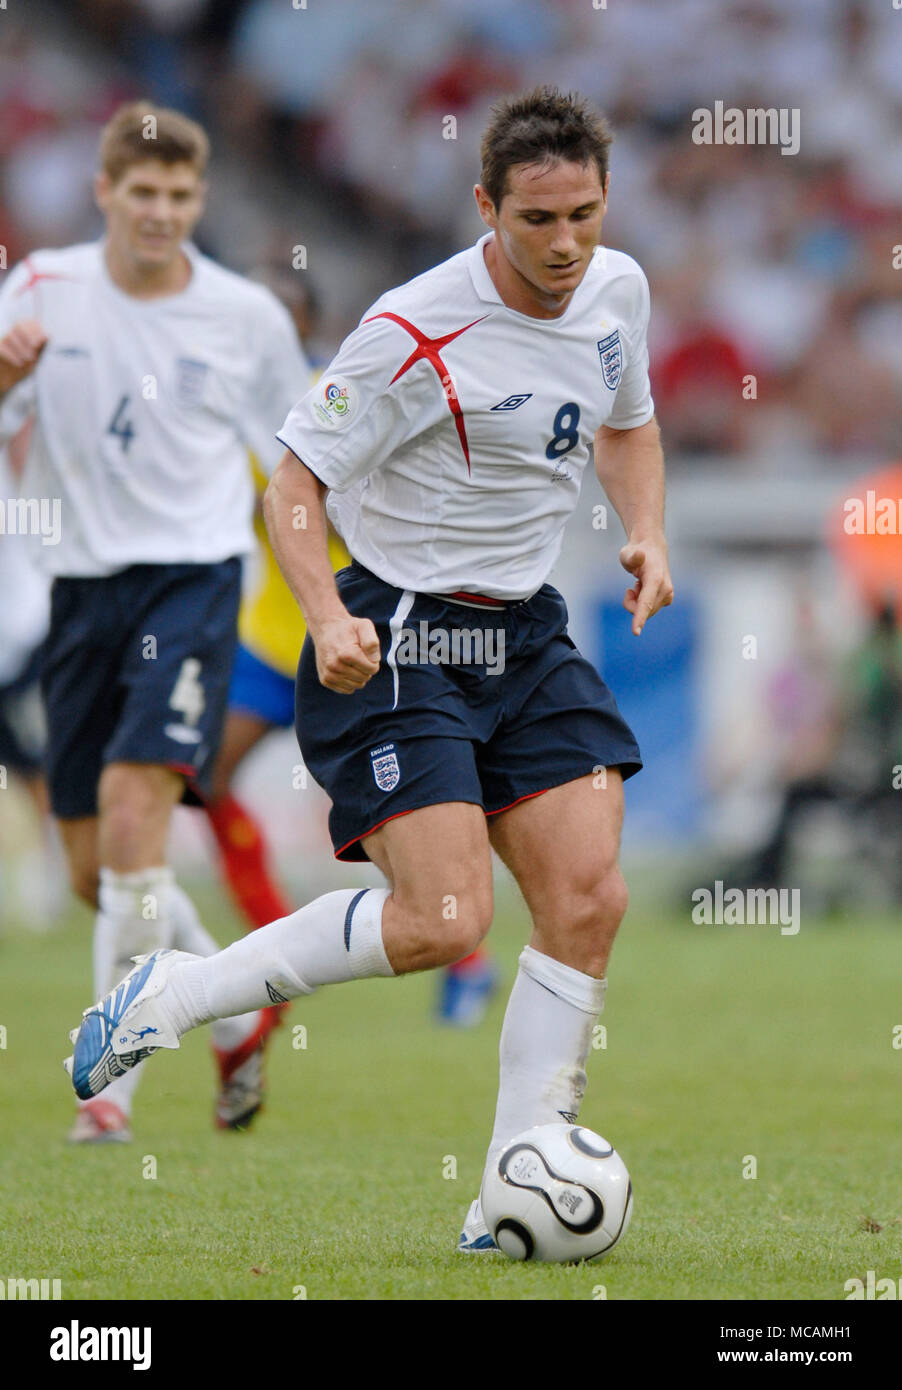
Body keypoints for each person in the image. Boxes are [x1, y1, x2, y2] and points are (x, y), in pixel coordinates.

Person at [65, 86, 673, 1250]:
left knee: (588, 897)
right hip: (395, 633)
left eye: (583, 215)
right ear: (484, 205)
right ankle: (168, 995)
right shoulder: (409, 329)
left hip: (524, 633)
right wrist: (319, 613)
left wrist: (644, 527)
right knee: (445, 919)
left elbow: (627, 423)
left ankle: (509, 1189)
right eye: (536, 219)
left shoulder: (617, 288)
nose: (563, 244)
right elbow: (292, 483)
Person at [0, 100, 310, 1140]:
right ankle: (237, 1001)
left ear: (201, 199)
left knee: (139, 819)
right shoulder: (43, 289)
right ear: (104, 194)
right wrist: (7, 376)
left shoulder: (244, 317)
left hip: (192, 582)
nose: (161, 212)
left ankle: (110, 1091)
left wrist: (331, 595)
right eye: (143, 193)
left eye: (180, 195)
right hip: (81, 594)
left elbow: (296, 463)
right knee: (96, 872)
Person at [205, 269, 499, 1027]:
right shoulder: (226, 413)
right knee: (204, 775)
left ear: (297, 326)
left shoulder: (339, 397)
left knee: (383, 802)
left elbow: (356, 510)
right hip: (272, 642)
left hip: (354, 630)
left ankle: (464, 954)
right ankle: (268, 940)